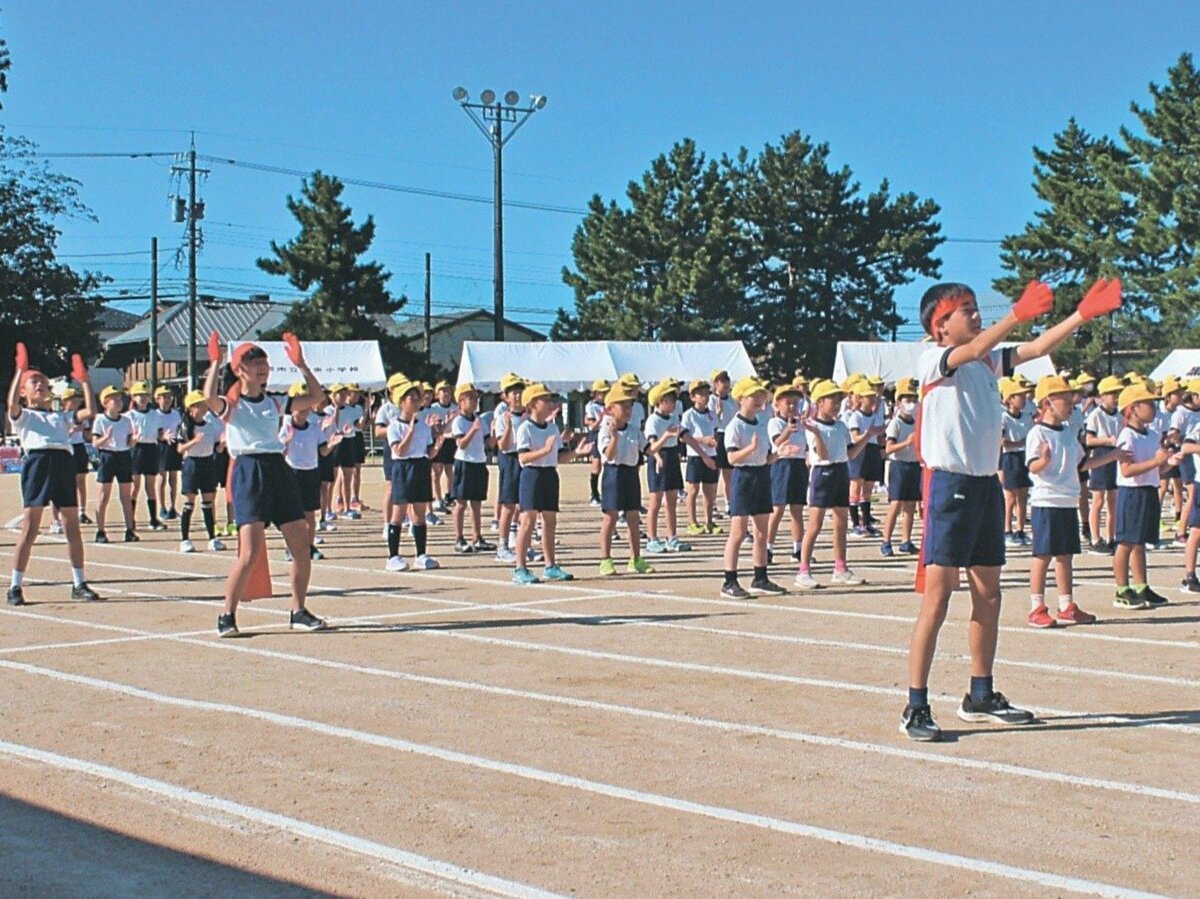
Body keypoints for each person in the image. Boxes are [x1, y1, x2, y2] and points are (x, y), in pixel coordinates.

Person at [901, 276, 1121, 743]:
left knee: (990, 596)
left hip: (985, 485)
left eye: (975, 306)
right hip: (950, 486)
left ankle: (980, 694)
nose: (975, 313)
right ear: (940, 326)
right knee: (938, 599)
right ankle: (915, 705)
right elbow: (975, 347)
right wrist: (1016, 314)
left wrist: (1081, 315)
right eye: (965, 308)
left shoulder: (984, 362)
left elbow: (1036, 348)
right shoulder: (934, 359)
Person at [203, 333, 326, 637]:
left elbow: (316, 397)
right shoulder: (233, 405)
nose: (262, 367)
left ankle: (298, 610)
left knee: (302, 546)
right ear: (239, 370)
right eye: (254, 363)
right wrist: (215, 363)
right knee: (250, 552)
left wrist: (302, 365)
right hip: (249, 470)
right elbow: (209, 399)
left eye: (264, 363)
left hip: (278, 469)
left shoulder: (275, 401)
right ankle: (227, 615)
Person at [1025, 375, 1126, 627]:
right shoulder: (1037, 433)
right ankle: (1036, 606)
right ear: (1048, 402)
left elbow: (1081, 464)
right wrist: (1043, 461)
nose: (1072, 405)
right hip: (1047, 502)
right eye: (1066, 400)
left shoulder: (1069, 433)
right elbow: (1033, 466)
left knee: (1065, 555)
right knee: (1043, 555)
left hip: (1068, 501)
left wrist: (1112, 456)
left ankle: (1066, 604)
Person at [6, 344, 101, 605]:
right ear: (24, 392)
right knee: (30, 527)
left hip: (62, 463)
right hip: (37, 464)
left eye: (43, 382)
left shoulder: (60, 416)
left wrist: (85, 382)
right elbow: (11, 403)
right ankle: (15, 586)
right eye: (34, 382)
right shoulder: (23, 415)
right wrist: (20, 371)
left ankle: (79, 583)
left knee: (72, 527)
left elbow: (90, 412)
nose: (40, 385)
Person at [794, 379, 878, 590]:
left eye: (838, 400)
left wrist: (866, 437)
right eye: (832, 400)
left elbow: (850, 453)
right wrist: (817, 434)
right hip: (822, 474)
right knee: (815, 525)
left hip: (841, 471)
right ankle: (803, 570)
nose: (837, 404)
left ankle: (840, 568)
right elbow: (823, 455)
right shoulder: (812, 427)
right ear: (820, 402)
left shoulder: (841, 426)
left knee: (841, 523)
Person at [719, 376, 799, 598]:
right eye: (753, 395)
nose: (758, 399)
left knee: (761, 533)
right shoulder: (735, 426)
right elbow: (732, 458)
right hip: (743, 477)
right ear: (741, 399)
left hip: (761, 475)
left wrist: (780, 453)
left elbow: (766, 457)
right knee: (737, 533)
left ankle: (760, 578)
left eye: (760, 395)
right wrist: (750, 449)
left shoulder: (761, 423)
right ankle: (729, 581)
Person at [513, 383, 591, 584]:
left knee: (549, 521)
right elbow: (523, 458)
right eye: (544, 400)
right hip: (531, 475)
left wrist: (576, 453)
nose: (549, 403)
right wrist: (545, 450)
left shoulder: (553, 428)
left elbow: (558, 457)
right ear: (532, 404)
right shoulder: (525, 428)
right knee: (527, 521)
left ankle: (550, 566)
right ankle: (520, 567)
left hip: (549, 474)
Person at [1111, 381, 1175, 610]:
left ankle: (1141, 585)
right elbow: (1127, 470)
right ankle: (1121, 589)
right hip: (1132, 493)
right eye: (1148, 403)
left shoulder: (1152, 434)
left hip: (1148, 489)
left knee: (1139, 542)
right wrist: (1155, 462)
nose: (1153, 408)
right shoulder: (1127, 435)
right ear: (1133, 408)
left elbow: (1157, 468)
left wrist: (1168, 462)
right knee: (1126, 542)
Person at [384, 377, 445, 572]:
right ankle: (393, 556)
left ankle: (421, 555)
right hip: (403, 467)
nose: (417, 401)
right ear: (402, 402)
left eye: (417, 398)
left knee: (420, 513)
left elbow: (429, 453)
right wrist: (409, 431)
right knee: (399, 513)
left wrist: (437, 446)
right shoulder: (394, 426)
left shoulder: (423, 426)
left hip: (421, 466)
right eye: (412, 398)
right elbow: (399, 451)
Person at [644, 380, 702, 554]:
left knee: (671, 502)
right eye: (670, 400)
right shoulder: (653, 420)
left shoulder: (673, 418)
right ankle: (652, 538)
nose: (674, 403)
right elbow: (652, 445)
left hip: (672, 457)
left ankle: (672, 537)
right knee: (655, 502)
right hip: (659, 458)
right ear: (660, 401)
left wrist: (704, 455)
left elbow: (684, 436)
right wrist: (663, 442)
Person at [281, 380, 336, 563]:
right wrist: (286, 442)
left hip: (311, 473)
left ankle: (310, 546)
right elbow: (280, 453)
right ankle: (290, 548)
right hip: (292, 473)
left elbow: (322, 451)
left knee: (310, 514)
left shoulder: (314, 428)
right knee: (292, 515)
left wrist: (332, 443)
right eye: (300, 402)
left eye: (306, 402)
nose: (304, 408)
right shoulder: (286, 427)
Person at [176, 389, 227, 554]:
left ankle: (212, 538)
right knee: (189, 502)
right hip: (191, 464)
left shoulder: (211, 425)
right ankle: (185, 539)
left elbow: (217, 449)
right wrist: (194, 441)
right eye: (199, 405)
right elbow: (180, 449)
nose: (204, 407)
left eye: (204, 404)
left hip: (208, 463)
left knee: (208, 502)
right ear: (191, 408)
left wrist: (223, 444)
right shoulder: (185, 426)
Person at [449, 382, 496, 554]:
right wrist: (473, 430)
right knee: (461, 503)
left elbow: (489, 443)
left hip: (479, 462)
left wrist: (494, 431)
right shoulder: (459, 421)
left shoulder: (480, 420)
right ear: (461, 401)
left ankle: (477, 537)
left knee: (476, 503)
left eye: (476, 398)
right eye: (470, 398)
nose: (475, 401)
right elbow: (461, 444)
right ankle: (459, 538)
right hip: (464, 463)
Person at [766, 383, 809, 565]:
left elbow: (806, 444)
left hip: (798, 464)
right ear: (778, 404)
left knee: (797, 510)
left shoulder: (801, 424)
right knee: (777, 509)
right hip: (781, 465)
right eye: (788, 403)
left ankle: (798, 549)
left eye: (795, 403)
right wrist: (788, 430)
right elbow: (777, 441)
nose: (792, 406)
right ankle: (768, 548)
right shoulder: (775, 422)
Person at [90, 385, 137, 545]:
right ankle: (100, 531)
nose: (119, 402)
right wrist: (106, 438)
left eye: (119, 399)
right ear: (105, 403)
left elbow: (129, 442)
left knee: (126, 496)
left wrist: (134, 440)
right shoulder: (100, 419)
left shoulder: (126, 420)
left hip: (123, 456)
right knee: (103, 496)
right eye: (114, 399)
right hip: (107, 456)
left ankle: (130, 530)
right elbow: (95, 443)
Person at [880, 378, 921, 557]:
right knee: (896, 504)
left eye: (913, 399)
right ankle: (886, 540)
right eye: (907, 399)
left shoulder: (916, 422)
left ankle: (906, 540)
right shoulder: (896, 423)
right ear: (898, 402)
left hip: (913, 464)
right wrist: (906, 442)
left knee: (910, 504)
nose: (911, 403)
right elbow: (889, 448)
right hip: (899, 465)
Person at [1084, 375, 1124, 555]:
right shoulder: (1096, 415)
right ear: (1103, 395)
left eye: (1117, 393)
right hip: (1101, 454)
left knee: (1113, 499)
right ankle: (1095, 538)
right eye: (1112, 393)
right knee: (1098, 499)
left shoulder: (1120, 415)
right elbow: (1089, 440)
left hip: (1116, 455)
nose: (1116, 397)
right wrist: (1108, 440)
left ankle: (1111, 537)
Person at [491, 373, 527, 564]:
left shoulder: (528, 416)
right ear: (506, 396)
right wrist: (508, 427)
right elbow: (503, 446)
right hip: (510, 459)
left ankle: (523, 544)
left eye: (520, 391)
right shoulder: (503, 418)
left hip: (526, 459)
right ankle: (502, 546)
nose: (518, 395)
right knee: (509, 505)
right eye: (513, 392)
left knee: (525, 505)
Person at [681, 379, 722, 535]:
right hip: (695, 455)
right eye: (700, 394)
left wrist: (714, 441)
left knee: (710, 491)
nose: (704, 397)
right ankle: (692, 522)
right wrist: (703, 440)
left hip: (711, 454)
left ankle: (709, 521)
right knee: (693, 490)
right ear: (693, 397)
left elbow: (715, 431)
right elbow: (683, 437)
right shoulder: (688, 415)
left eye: (706, 393)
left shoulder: (712, 414)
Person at [127, 382, 166, 532]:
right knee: (134, 485)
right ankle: (130, 518)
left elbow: (159, 433)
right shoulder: (129, 416)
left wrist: (164, 436)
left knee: (150, 485)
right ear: (133, 397)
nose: (142, 398)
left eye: (145, 395)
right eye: (139, 395)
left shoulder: (155, 414)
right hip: (136, 449)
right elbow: (127, 437)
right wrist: (133, 439)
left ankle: (153, 519)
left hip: (151, 448)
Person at [999, 378, 1033, 546]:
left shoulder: (1027, 417)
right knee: (1010, 497)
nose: (1023, 399)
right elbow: (1002, 441)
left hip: (1024, 458)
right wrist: (1019, 443)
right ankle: (1007, 530)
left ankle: (1020, 530)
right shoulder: (1004, 418)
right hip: (1010, 458)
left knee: (1023, 497)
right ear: (1010, 399)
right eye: (1019, 396)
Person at [374, 372, 406, 538]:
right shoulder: (386, 408)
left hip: (409, 450)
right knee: (391, 487)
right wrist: (395, 429)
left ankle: (407, 519)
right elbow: (378, 431)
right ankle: (387, 524)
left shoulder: (409, 406)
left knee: (408, 487)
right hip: (392, 449)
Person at [708, 369, 737, 514]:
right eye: (721, 381)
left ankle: (729, 503)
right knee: (715, 473)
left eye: (726, 380)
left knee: (729, 473)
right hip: (718, 434)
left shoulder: (733, 400)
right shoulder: (711, 400)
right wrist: (717, 414)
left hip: (730, 435)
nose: (725, 384)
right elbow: (709, 421)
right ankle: (712, 504)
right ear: (715, 384)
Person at [429, 380, 458, 512]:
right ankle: (438, 498)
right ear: (437, 393)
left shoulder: (455, 408)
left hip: (451, 441)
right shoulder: (434, 408)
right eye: (443, 391)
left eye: (448, 391)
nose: (446, 393)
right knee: (436, 471)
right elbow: (436, 429)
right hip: (439, 441)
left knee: (449, 470)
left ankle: (449, 495)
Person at [154, 385, 182, 520]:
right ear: (157, 399)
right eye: (164, 397)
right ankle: (161, 507)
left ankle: (172, 507)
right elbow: (157, 432)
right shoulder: (155, 415)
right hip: (161, 446)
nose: (167, 400)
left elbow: (179, 428)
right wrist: (164, 436)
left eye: (169, 397)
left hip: (174, 445)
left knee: (173, 476)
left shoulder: (176, 414)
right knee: (162, 476)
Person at [584, 379, 608, 507]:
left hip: (607, 432)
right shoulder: (591, 406)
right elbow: (592, 425)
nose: (605, 395)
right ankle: (594, 493)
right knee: (596, 465)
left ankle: (605, 492)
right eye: (602, 393)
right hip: (597, 434)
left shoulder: (609, 404)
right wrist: (601, 418)